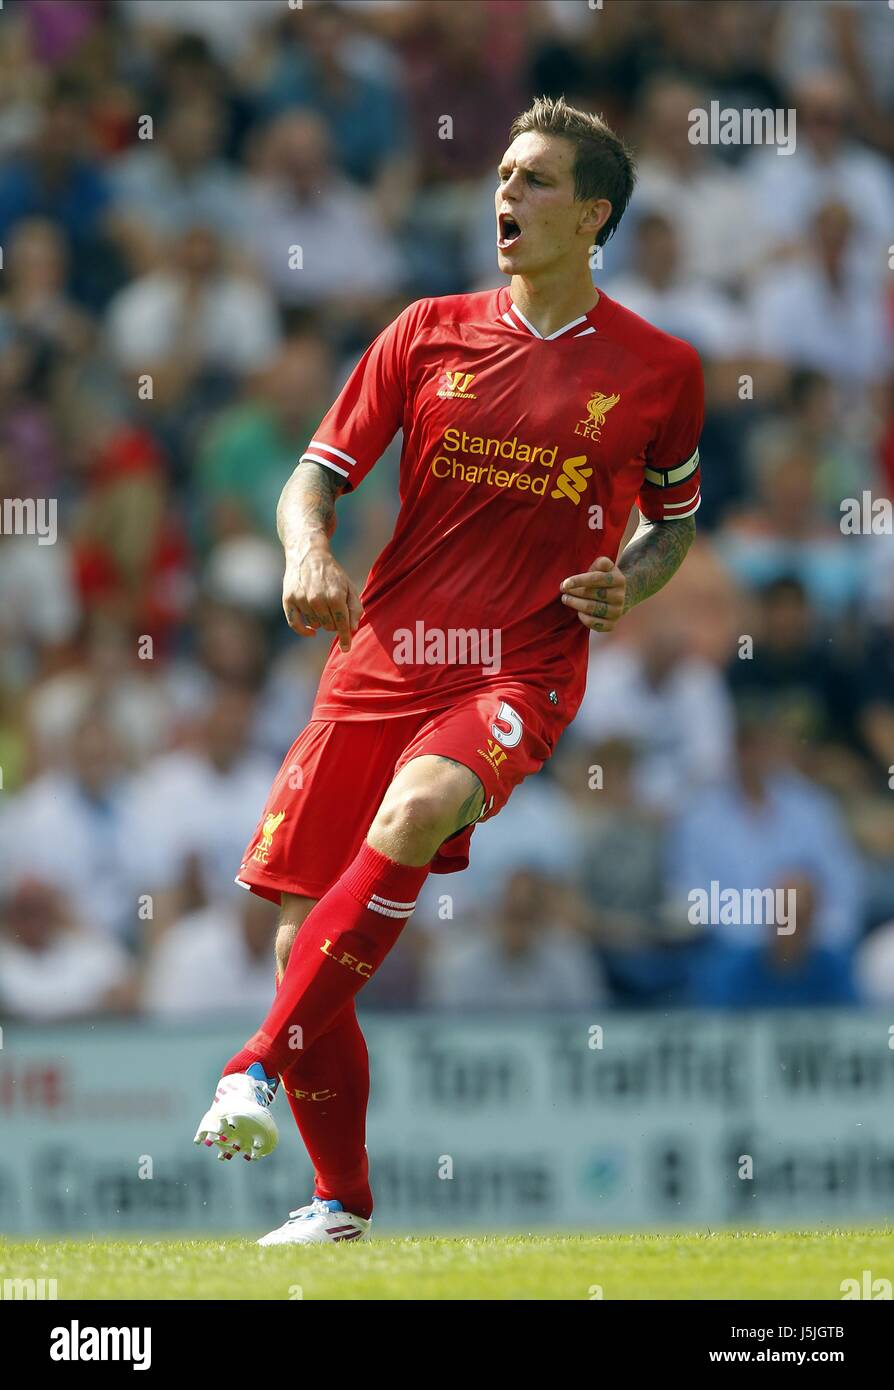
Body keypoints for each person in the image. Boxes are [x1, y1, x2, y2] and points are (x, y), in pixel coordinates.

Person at [193, 96, 705, 1246]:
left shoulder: (662, 371)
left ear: (593, 215)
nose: (505, 198)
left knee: (422, 805)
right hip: (381, 656)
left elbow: (673, 522)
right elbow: (313, 477)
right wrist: (308, 551)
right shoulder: (426, 329)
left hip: (517, 668)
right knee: (295, 941)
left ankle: (249, 1068)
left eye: (532, 182)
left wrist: (632, 578)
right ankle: (338, 1205)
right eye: (503, 177)